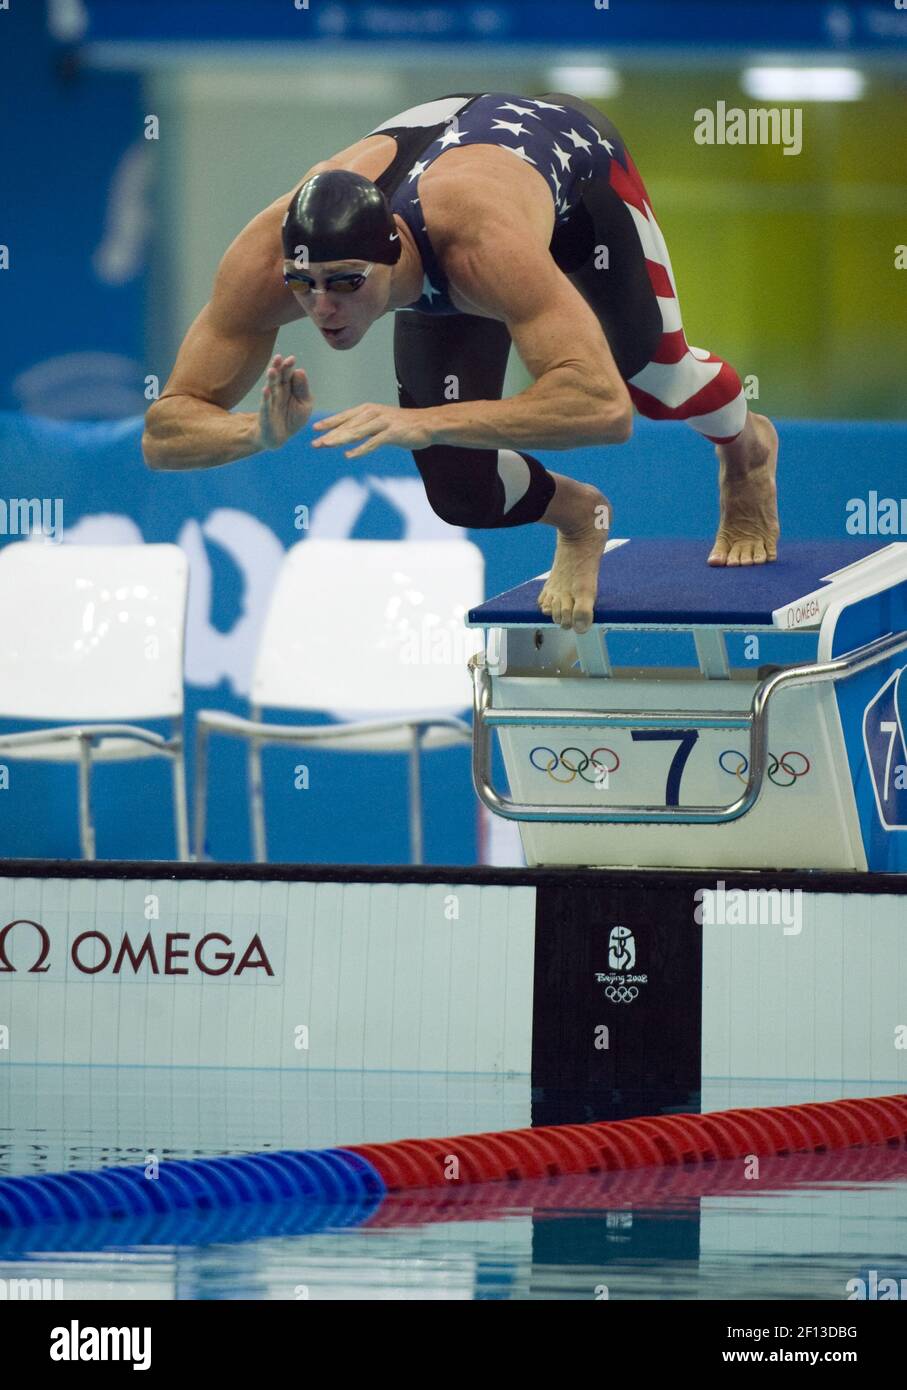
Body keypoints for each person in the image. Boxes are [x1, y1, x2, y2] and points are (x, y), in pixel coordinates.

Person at [143, 91, 779, 634]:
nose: (322, 307)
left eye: (345, 284)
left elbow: (603, 410)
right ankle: (582, 517)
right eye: (304, 285)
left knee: (654, 384)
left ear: (392, 259)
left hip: (571, 172)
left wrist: (429, 423)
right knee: (459, 492)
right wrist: (253, 432)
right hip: (443, 190)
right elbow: (164, 431)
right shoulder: (263, 262)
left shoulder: (479, 245)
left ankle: (745, 450)